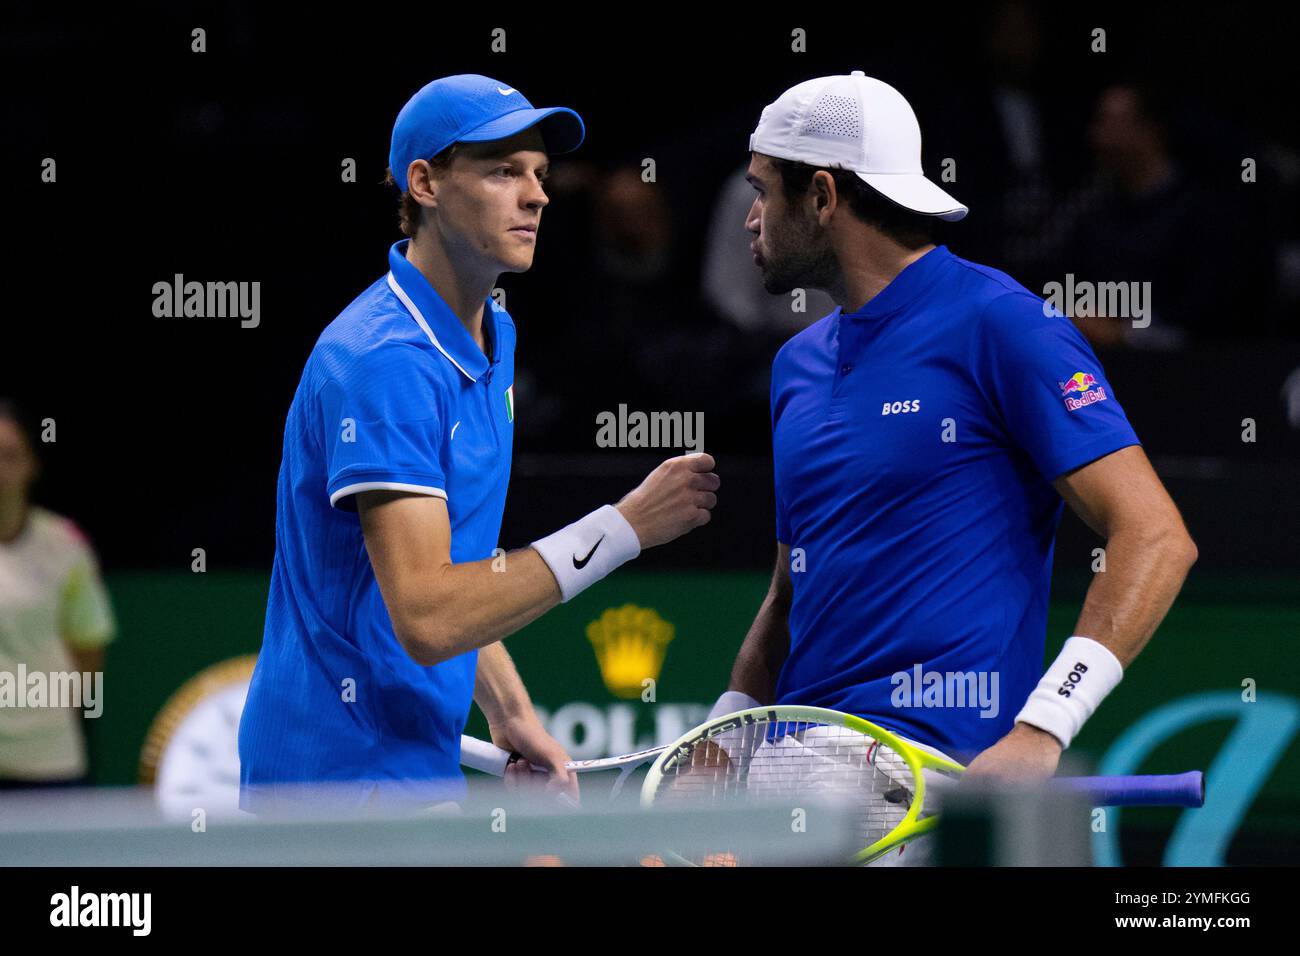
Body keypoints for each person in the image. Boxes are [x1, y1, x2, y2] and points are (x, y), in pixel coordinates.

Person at [708, 72, 1197, 864]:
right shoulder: (794, 365)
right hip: (788, 773)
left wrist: (1044, 729)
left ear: (825, 195)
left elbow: (1156, 536)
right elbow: (788, 592)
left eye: (763, 190)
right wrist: (725, 740)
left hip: (919, 788)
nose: (751, 218)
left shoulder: (1003, 324)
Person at [237, 75, 718, 816]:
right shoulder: (384, 361)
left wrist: (510, 708)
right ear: (425, 183)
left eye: (540, 176)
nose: (536, 197)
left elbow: (459, 561)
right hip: (333, 782)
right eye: (502, 172)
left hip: (412, 760)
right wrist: (622, 530)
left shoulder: (494, 333)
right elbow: (429, 616)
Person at [0, 399, 116, 789]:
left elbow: (88, 653)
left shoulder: (66, 545)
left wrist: (40, 717)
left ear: (31, 465)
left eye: (10, 455)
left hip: (50, 766)